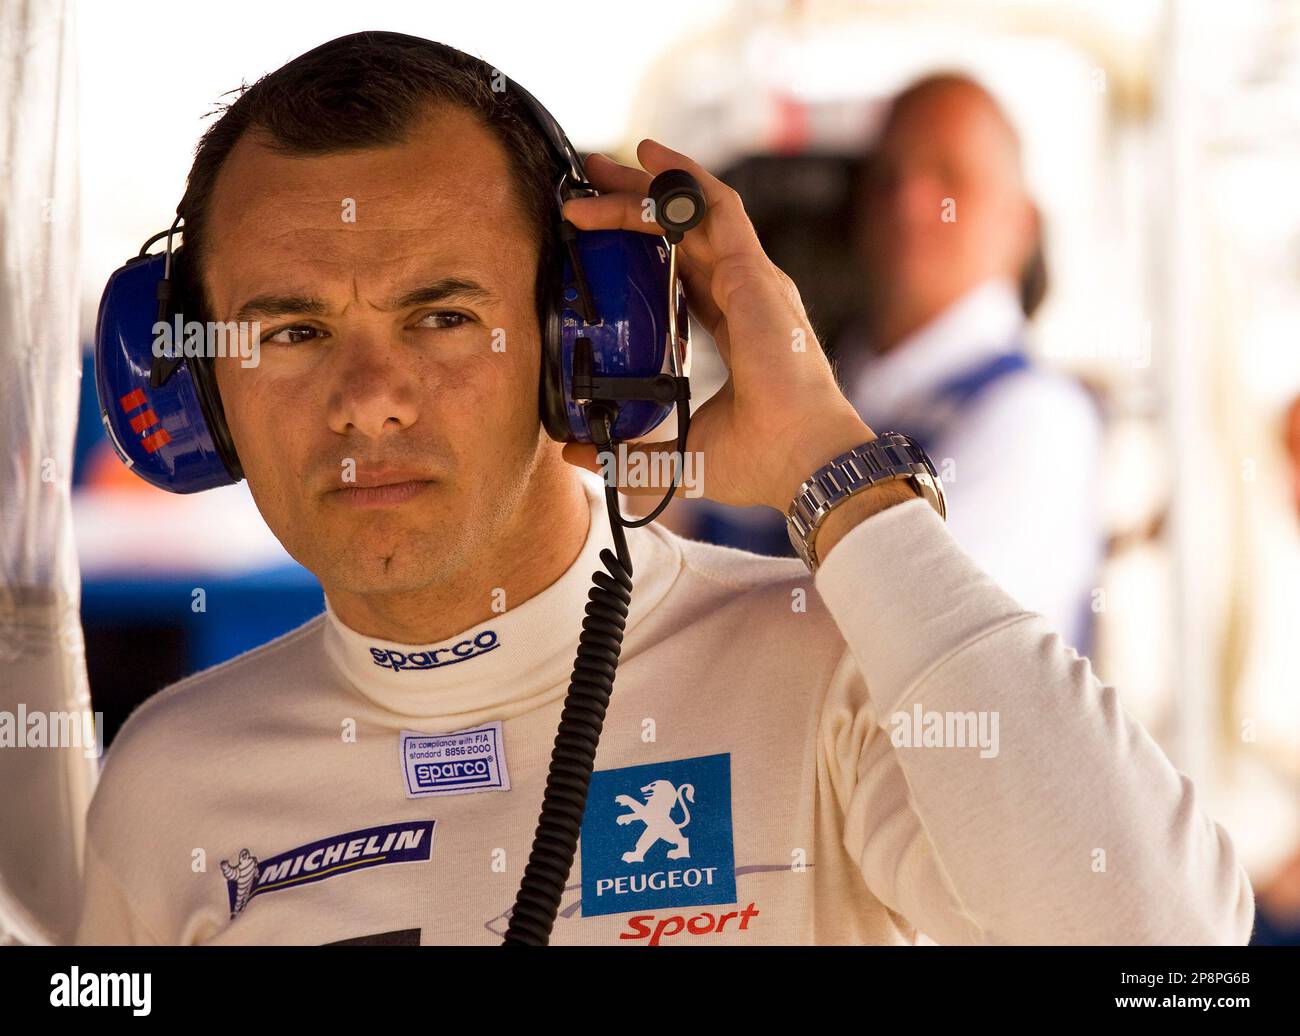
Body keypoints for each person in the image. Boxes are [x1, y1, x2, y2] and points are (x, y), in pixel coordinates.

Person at [74, 33, 1251, 946]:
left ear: (584, 342)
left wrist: (832, 472)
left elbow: (1172, 943)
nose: (368, 396)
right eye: (290, 331)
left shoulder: (824, 671)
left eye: (443, 316)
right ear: (198, 392)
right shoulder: (169, 782)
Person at [841, 73, 1104, 653]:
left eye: (950, 179)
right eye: (886, 178)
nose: (907, 201)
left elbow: (876, 641)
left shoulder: (1040, 420)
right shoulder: (834, 385)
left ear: (1022, 224)